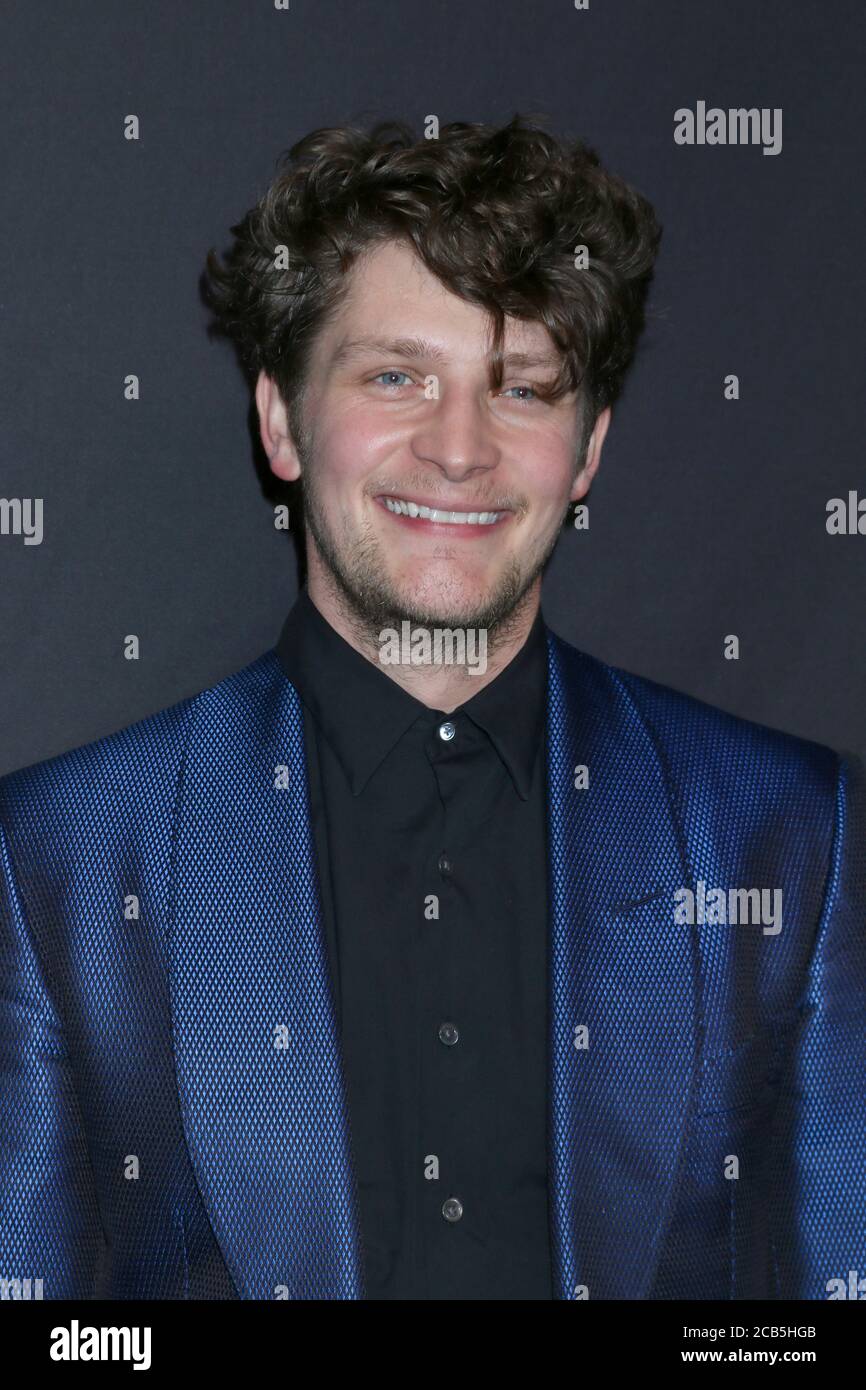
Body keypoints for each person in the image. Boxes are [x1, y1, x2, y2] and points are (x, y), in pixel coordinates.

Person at [1, 116, 863, 1301]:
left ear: (588, 449)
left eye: (520, 387)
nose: (458, 448)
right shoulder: (64, 857)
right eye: (396, 376)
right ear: (278, 420)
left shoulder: (787, 832)